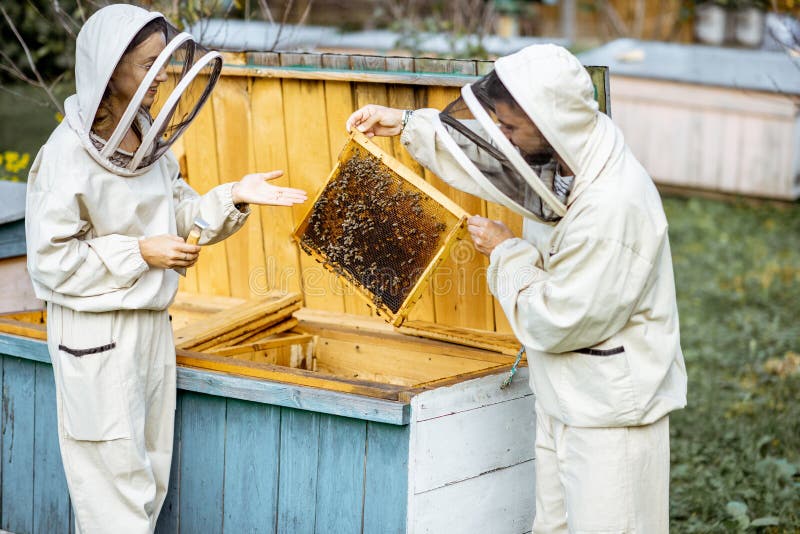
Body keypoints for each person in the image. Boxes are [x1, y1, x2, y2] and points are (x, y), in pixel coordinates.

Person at [346, 44, 687, 533]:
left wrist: (508, 252)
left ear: (549, 124)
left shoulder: (614, 210)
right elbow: (489, 162)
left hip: (612, 418)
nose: (501, 137)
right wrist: (404, 124)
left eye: (509, 127)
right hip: (565, 397)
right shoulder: (567, 153)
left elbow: (555, 320)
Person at [25, 5, 306, 533]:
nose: (158, 79)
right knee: (114, 501)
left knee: (149, 484)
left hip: (152, 330)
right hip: (95, 334)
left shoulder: (147, 138)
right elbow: (50, 263)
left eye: (163, 64)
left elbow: (179, 212)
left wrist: (232, 196)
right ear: (110, 71)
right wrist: (141, 253)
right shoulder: (65, 155)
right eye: (146, 66)